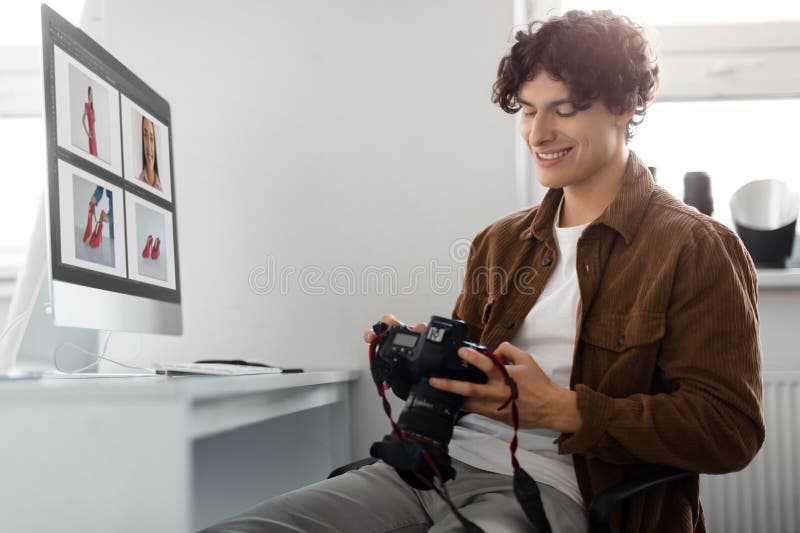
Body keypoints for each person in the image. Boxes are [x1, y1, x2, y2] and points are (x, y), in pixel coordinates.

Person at [203, 10, 764, 533]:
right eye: (526, 110)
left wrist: (566, 409)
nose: (537, 134)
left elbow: (729, 431)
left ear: (622, 105)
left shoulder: (697, 248)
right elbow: (464, 381)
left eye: (563, 109)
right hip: (428, 464)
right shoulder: (500, 242)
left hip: (553, 486)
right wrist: (417, 364)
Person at [137, 116, 163, 191]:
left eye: (151, 138)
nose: (149, 147)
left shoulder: (162, 189)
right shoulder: (138, 182)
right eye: (145, 135)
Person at [82, 86, 97, 156]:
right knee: (93, 154)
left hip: (94, 136)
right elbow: (83, 120)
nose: (91, 96)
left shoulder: (93, 110)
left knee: (96, 155)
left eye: (92, 95)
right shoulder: (87, 106)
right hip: (91, 136)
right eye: (90, 94)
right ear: (88, 96)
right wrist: (88, 134)